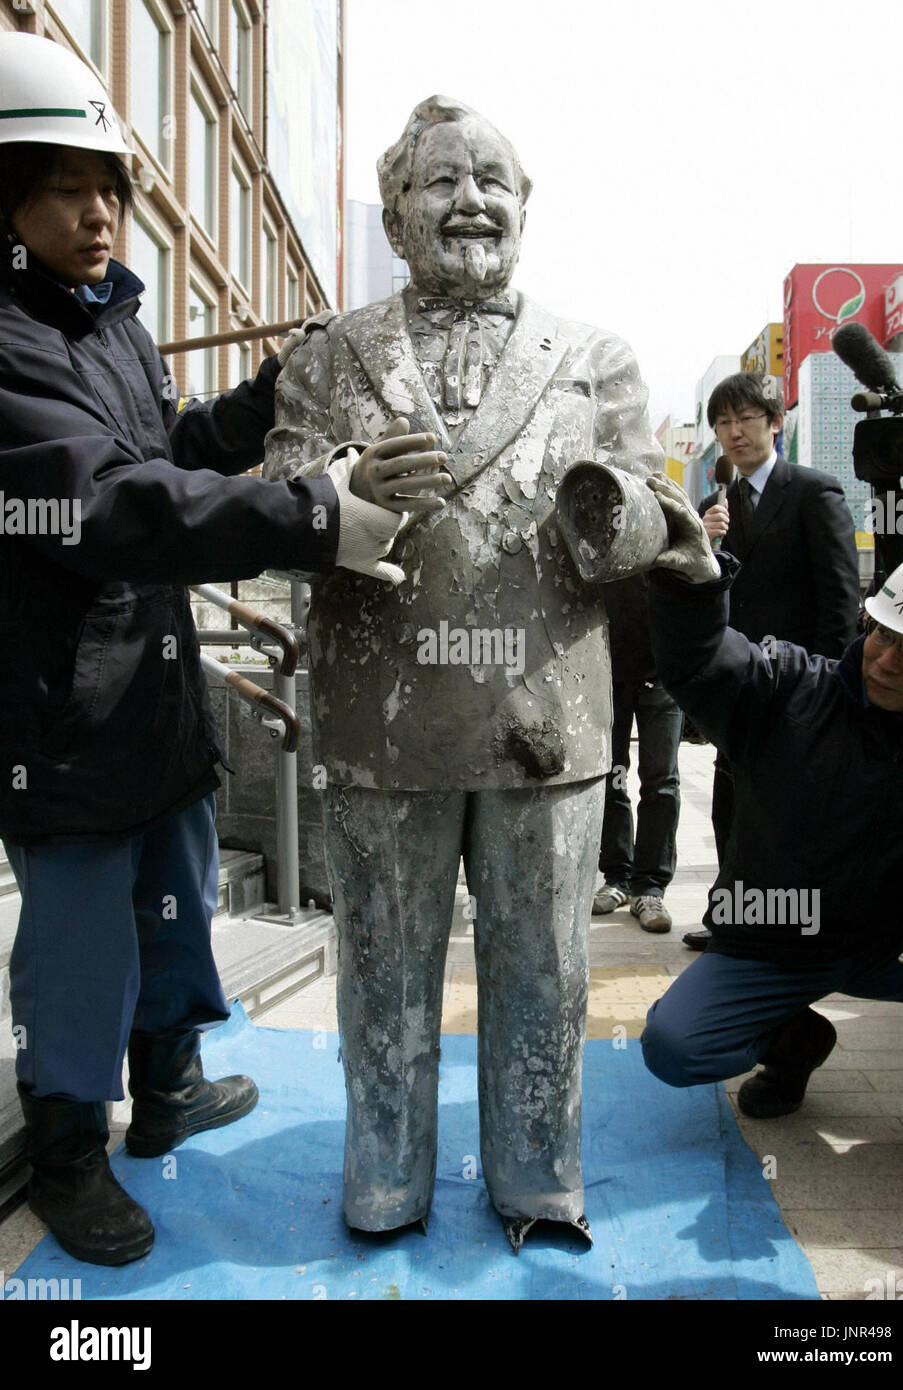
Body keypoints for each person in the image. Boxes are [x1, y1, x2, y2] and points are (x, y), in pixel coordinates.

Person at [0, 32, 446, 1267]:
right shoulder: (8, 343)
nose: (98, 215)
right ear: (8, 200)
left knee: (174, 914)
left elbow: (171, 448)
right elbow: (102, 505)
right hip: (62, 726)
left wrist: (264, 399)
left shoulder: (113, 327)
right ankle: (69, 1151)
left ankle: (173, 1087)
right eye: (64, 189)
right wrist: (314, 516)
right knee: (79, 954)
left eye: (110, 188)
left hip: (153, 705)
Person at [263, 95, 663, 1249]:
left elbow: (665, 515)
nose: (470, 199)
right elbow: (278, 487)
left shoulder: (597, 359)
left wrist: (614, 510)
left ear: (527, 207)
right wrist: (345, 484)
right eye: (440, 182)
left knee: (543, 966)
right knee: (383, 969)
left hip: (548, 710)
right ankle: (384, 1179)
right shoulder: (332, 355)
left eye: (493, 179)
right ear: (395, 215)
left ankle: (539, 1178)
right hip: (384, 712)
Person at [638, 476, 903, 1138]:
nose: (885, 661)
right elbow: (703, 664)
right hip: (776, 937)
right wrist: (692, 588)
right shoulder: (791, 689)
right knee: (676, 1045)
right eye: (881, 633)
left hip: (900, 944)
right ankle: (793, 1040)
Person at [684, 371, 860, 949]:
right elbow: (703, 597)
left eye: (745, 419)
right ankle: (732, 920)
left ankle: (800, 926)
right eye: (723, 423)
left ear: (776, 421)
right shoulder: (717, 505)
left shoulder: (814, 491)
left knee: (793, 809)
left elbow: (840, 598)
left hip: (800, 684)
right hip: (738, 686)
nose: (733, 433)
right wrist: (702, 548)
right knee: (732, 808)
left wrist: (829, 687)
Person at [592, 574, 682, 932]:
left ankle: (651, 886)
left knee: (660, 781)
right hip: (606, 670)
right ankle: (617, 877)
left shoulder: (670, 517)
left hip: (663, 671)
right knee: (611, 777)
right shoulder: (597, 523)